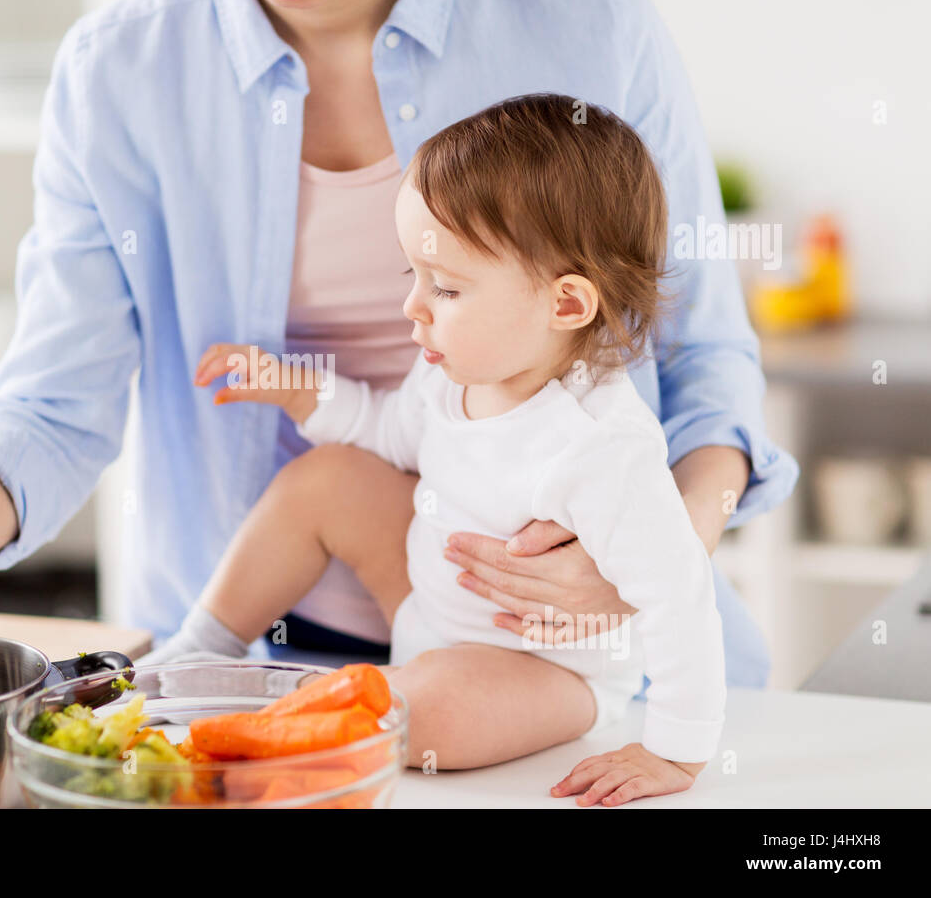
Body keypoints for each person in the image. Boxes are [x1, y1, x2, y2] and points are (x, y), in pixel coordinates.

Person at [0, 0, 797, 687]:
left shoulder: (578, 7)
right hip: (243, 669)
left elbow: (704, 356)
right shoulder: (120, 73)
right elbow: (54, 411)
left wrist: (650, 557)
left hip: (579, 659)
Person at [142, 94, 726, 806]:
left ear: (567, 304)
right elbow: (392, 433)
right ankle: (196, 651)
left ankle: (271, 738)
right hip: (429, 609)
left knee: (425, 718)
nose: (413, 307)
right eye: (412, 276)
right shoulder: (456, 370)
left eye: (446, 287)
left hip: (544, 672)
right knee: (326, 478)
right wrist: (303, 394)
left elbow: (679, 596)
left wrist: (677, 749)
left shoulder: (600, 445)